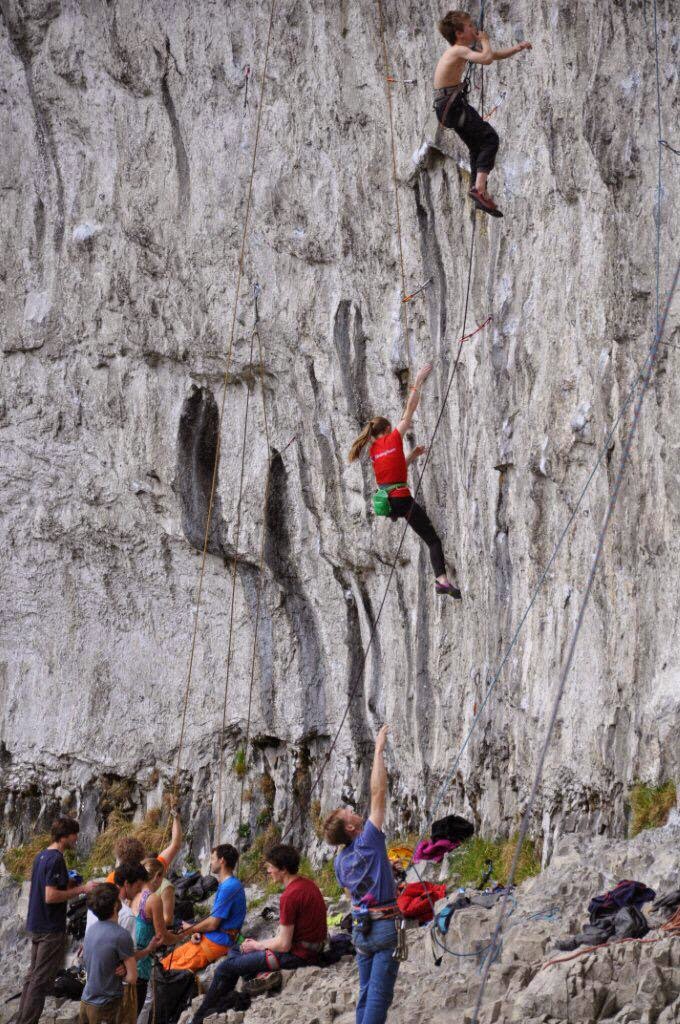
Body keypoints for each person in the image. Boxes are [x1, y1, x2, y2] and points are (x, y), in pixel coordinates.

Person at [348, 362, 461, 598]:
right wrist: (418, 381)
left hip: (389, 502)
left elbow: (394, 472)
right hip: (401, 500)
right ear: (388, 428)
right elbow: (410, 410)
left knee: (424, 532)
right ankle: (441, 580)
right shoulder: (393, 437)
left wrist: (412, 456)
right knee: (432, 540)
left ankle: (441, 580)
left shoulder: (374, 451)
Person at [190, 844, 327, 1024]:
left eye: (271, 867)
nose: (268, 871)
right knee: (237, 949)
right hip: (312, 948)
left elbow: (284, 944)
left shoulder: (289, 896)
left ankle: (200, 1017)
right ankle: (257, 978)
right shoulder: (307, 884)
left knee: (225, 968)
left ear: (283, 869)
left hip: (298, 955)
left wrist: (257, 945)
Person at [323, 726, 398, 1024]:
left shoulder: (340, 862)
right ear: (352, 829)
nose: (354, 811)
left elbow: (353, 892)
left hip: (360, 928)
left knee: (366, 993)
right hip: (382, 927)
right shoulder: (368, 839)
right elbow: (379, 792)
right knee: (379, 997)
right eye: (349, 814)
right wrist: (379, 750)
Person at [433, 10, 532, 217]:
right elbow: (486, 59)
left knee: (476, 146)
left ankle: (477, 191)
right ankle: (479, 190)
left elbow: (492, 55)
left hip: (449, 106)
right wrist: (485, 40)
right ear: (459, 34)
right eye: (470, 26)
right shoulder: (457, 51)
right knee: (489, 139)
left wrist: (517, 48)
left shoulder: (463, 50)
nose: (475, 29)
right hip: (452, 105)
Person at [15, 817, 96, 1024]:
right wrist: (82, 889)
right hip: (50, 928)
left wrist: (67, 882)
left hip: (36, 923)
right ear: (66, 836)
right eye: (74, 834)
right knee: (41, 981)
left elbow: (47, 886)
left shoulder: (41, 856)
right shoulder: (56, 859)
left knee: (32, 976)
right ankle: (27, 1021)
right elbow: (50, 896)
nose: (76, 839)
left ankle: (22, 1018)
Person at [161, 844, 246, 972]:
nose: (210, 862)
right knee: (164, 963)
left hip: (218, 942)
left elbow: (212, 923)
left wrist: (190, 928)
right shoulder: (227, 884)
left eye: (212, 859)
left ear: (221, 860)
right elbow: (215, 921)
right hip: (210, 937)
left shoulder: (229, 887)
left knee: (169, 970)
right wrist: (197, 931)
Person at [105, 809, 183, 927]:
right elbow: (175, 845)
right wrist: (176, 818)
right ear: (141, 855)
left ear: (119, 858)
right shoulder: (150, 867)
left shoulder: (112, 879)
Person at [79, 883, 137, 1024]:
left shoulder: (91, 930)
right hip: (106, 1006)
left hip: (86, 1000)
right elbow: (132, 977)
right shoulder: (121, 935)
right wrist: (123, 972)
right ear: (115, 906)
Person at [132, 858, 186, 1008]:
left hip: (129, 958)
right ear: (157, 876)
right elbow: (162, 936)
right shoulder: (153, 899)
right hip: (142, 963)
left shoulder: (134, 895)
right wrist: (179, 937)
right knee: (142, 1006)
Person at [86, 863, 150, 937]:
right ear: (127, 884)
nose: (140, 891)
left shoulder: (96, 901)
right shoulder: (127, 916)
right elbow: (129, 948)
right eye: (138, 886)